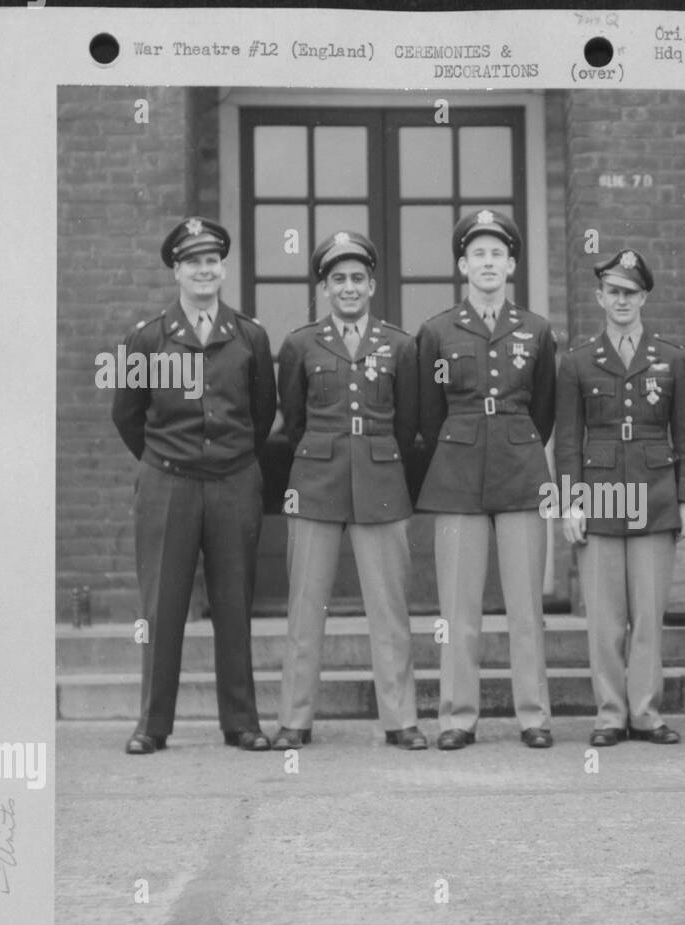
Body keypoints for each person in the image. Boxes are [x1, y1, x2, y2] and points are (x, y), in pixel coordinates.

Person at [112, 216, 277, 754]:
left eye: (212, 262)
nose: (204, 271)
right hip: (169, 484)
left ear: (222, 269)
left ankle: (242, 722)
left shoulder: (249, 335)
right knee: (162, 605)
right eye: (193, 263)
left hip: (233, 482)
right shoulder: (146, 339)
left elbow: (262, 411)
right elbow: (127, 416)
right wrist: (166, 461)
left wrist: (230, 463)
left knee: (234, 601)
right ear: (177, 272)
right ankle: (152, 725)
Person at [273, 231, 422, 751]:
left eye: (358, 278)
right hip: (316, 480)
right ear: (324, 287)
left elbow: (408, 424)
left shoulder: (400, 345)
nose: (349, 288)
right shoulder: (299, 344)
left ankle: (400, 718)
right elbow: (292, 421)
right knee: (306, 605)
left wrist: (374, 454)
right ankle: (295, 718)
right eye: (338, 279)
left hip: (381, 480)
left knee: (389, 606)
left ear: (372, 285)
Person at [416, 209, 556, 750]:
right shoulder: (437, 332)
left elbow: (541, 409)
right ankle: (456, 717)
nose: (488, 262)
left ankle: (534, 716)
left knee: (526, 606)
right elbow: (429, 415)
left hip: (521, 474)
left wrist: (513, 440)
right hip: (456, 475)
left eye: (497, 253)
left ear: (512, 263)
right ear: (462, 265)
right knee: (459, 609)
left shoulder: (537, 331)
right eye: (479, 254)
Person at [555, 249, 685, 747]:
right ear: (600, 297)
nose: (622, 301)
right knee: (605, 618)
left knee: (648, 615)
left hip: (655, 495)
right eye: (613, 292)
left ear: (645, 298)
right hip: (599, 499)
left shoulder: (673, 360)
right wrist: (570, 503)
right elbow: (568, 440)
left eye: (630, 293)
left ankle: (645, 712)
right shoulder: (576, 362)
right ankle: (610, 714)